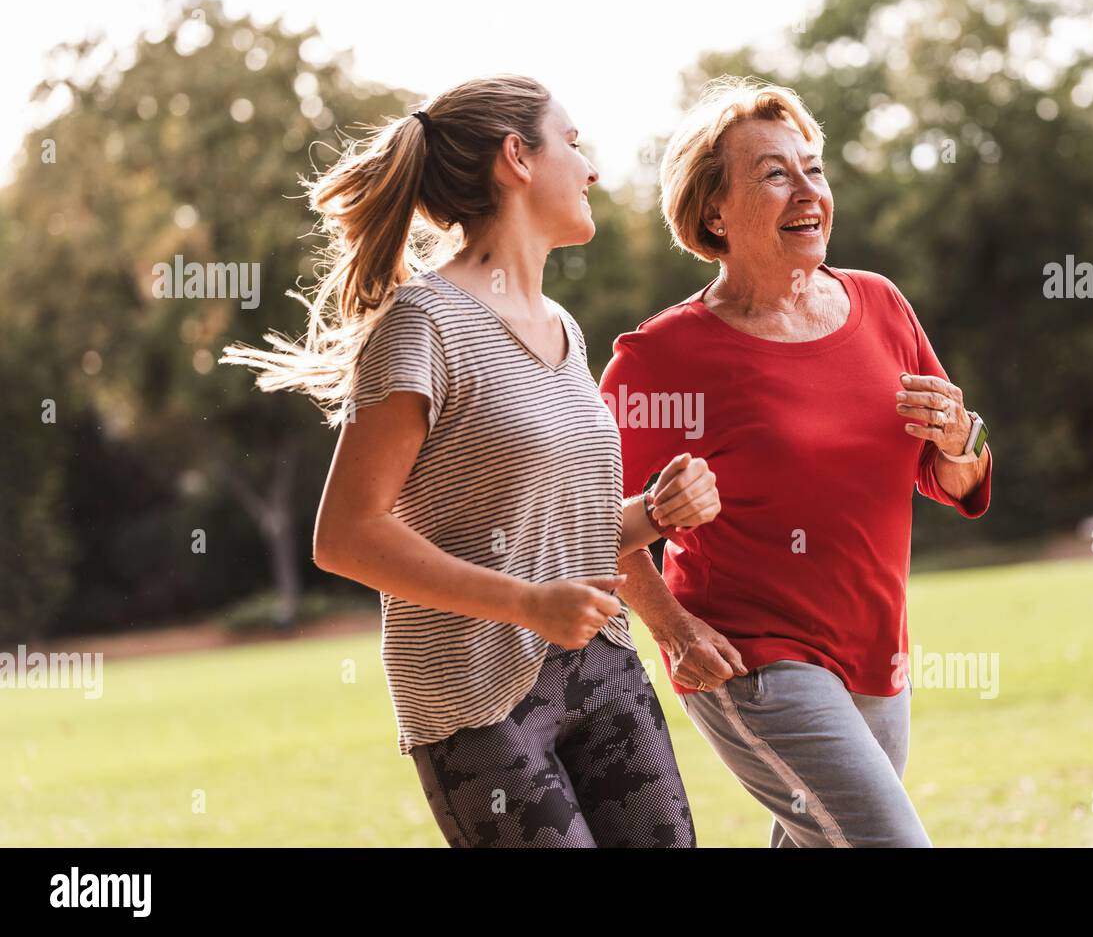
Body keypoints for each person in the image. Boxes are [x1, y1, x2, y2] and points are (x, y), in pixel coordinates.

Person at [221, 74, 720, 847]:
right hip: (476, 703)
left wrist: (655, 512)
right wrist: (526, 604)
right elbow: (346, 534)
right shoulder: (422, 322)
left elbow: (560, 537)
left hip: (602, 668)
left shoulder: (563, 326)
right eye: (574, 145)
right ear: (517, 159)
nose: (589, 170)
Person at [599, 76, 993, 847]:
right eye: (774, 173)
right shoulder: (662, 355)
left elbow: (950, 473)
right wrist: (673, 627)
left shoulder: (880, 304)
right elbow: (583, 521)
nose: (806, 188)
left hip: (877, 652)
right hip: (755, 662)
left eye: (812, 167)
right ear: (714, 210)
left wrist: (961, 439)